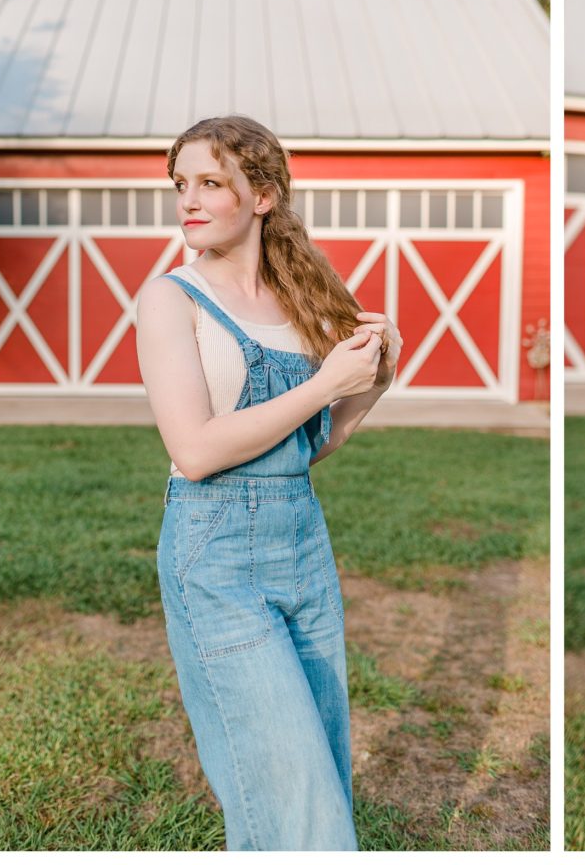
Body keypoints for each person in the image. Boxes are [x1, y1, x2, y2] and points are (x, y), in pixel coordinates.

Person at [136, 115, 402, 851]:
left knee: (320, 755)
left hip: (302, 539)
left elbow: (309, 447)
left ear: (263, 196)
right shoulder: (172, 298)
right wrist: (325, 385)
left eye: (210, 183)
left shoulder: (296, 300)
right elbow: (195, 451)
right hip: (214, 549)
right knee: (290, 783)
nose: (189, 200)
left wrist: (373, 384)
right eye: (181, 184)